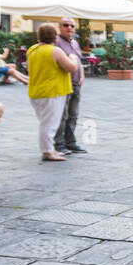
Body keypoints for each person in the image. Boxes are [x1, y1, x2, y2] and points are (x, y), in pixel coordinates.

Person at [26, 22, 78, 163]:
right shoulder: (55, 51)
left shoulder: (31, 50)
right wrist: (73, 57)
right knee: (49, 125)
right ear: (55, 37)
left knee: (45, 123)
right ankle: (48, 152)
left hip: (36, 91)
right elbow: (72, 68)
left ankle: (49, 149)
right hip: (53, 92)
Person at [53, 19, 87, 155]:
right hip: (63, 84)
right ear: (59, 27)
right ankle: (59, 144)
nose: (69, 28)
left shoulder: (75, 42)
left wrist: (82, 75)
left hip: (76, 83)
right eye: (66, 25)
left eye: (72, 26)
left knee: (73, 114)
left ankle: (71, 142)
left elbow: (78, 60)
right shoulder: (55, 42)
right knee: (62, 115)